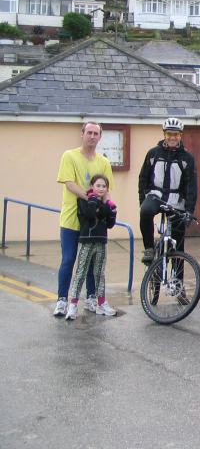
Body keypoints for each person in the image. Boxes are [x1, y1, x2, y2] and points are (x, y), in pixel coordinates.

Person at [54, 121, 114, 317]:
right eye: (89, 132)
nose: (92, 136)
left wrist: (108, 208)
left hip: (93, 222)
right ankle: (62, 299)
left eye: (96, 133)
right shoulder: (69, 156)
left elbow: (107, 189)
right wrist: (89, 196)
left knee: (92, 261)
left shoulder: (103, 162)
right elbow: (69, 183)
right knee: (69, 259)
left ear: (100, 137)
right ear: (82, 134)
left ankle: (91, 297)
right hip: (72, 218)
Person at [138, 117, 197, 265]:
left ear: (180, 136)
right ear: (164, 134)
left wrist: (189, 210)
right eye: (169, 134)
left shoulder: (187, 157)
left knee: (178, 245)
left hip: (177, 199)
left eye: (176, 135)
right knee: (145, 212)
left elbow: (191, 185)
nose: (172, 137)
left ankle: (178, 283)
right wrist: (142, 200)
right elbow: (143, 177)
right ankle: (149, 248)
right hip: (155, 195)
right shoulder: (153, 153)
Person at [66, 174, 117, 319]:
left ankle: (101, 303)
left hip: (101, 242)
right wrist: (96, 203)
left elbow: (109, 223)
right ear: (92, 186)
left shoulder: (106, 204)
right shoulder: (84, 200)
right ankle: (73, 305)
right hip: (86, 241)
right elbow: (89, 214)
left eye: (104, 186)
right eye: (98, 185)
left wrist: (112, 210)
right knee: (80, 272)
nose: (101, 189)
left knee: (99, 274)